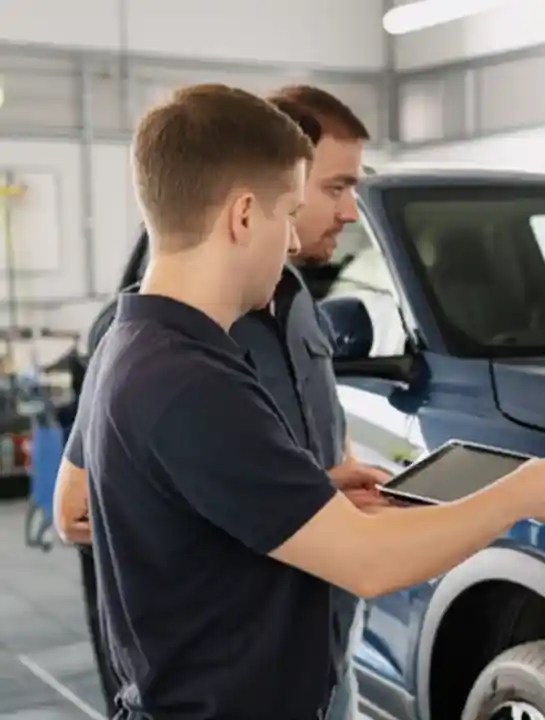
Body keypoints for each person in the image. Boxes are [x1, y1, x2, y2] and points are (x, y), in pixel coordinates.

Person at [61, 83, 545, 720]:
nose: (295, 245)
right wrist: (521, 496)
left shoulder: (137, 344)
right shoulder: (191, 381)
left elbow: (194, 505)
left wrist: (309, 490)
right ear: (244, 216)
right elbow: (370, 564)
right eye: (288, 214)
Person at [55, 85, 382, 719]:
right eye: (334, 188)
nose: (349, 210)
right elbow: (76, 511)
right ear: (255, 197)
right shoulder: (168, 343)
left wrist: (313, 492)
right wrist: (272, 521)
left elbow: (294, 454)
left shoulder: (293, 300)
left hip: (323, 655)